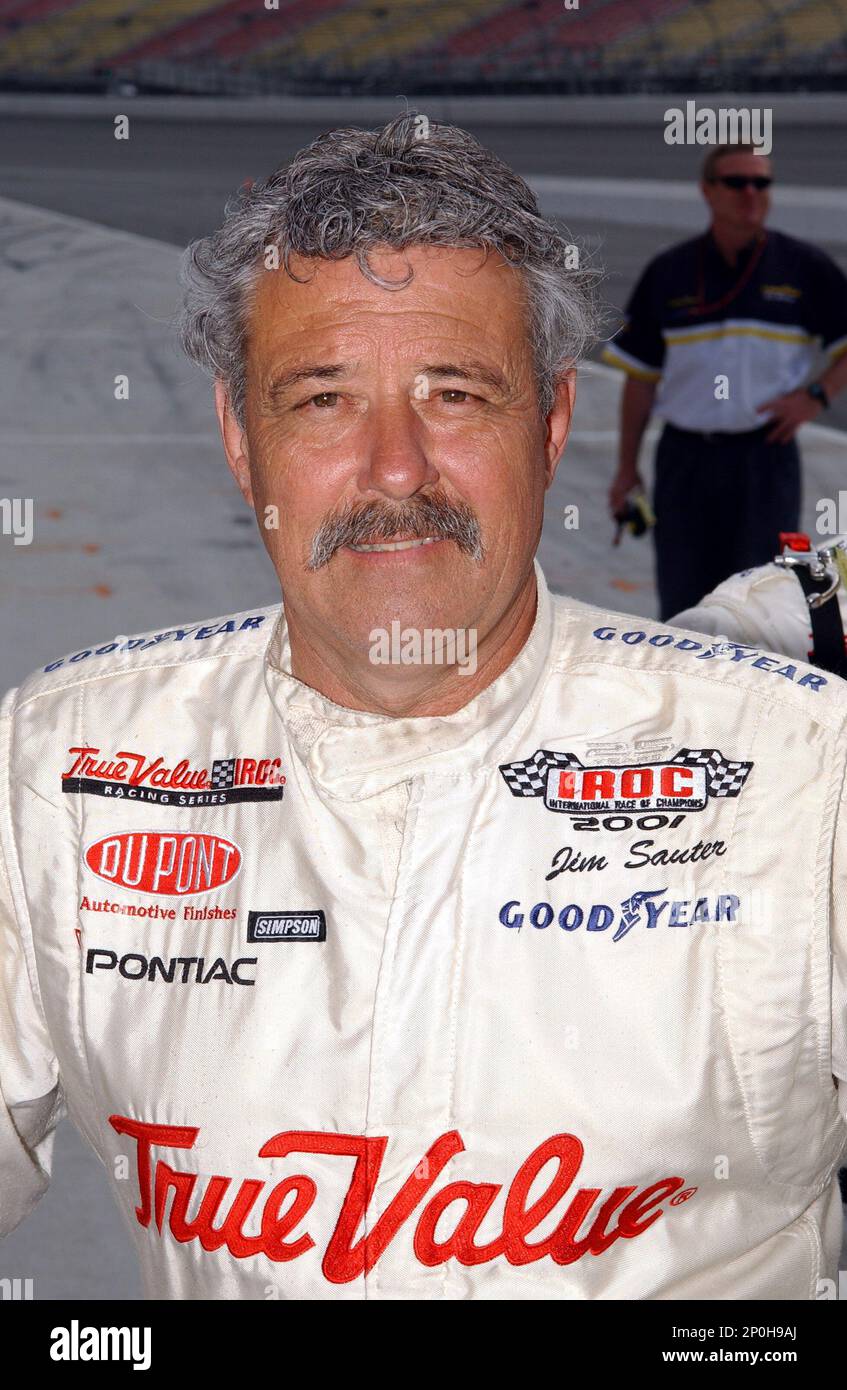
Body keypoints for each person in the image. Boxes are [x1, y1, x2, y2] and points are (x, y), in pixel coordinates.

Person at [1, 114, 847, 1301]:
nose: (395, 468)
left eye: (455, 394)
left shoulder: (805, 774)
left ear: (548, 423)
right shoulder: (62, 771)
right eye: (322, 400)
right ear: (240, 436)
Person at [604, 144, 847, 622]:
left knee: (761, 604)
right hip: (685, 461)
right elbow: (641, 380)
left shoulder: (804, 267)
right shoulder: (669, 272)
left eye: (761, 182)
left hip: (765, 461)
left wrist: (816, 396)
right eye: (736, 182)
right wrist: (626, 469)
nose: (750, 193)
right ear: (708, 190)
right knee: (684, 605)